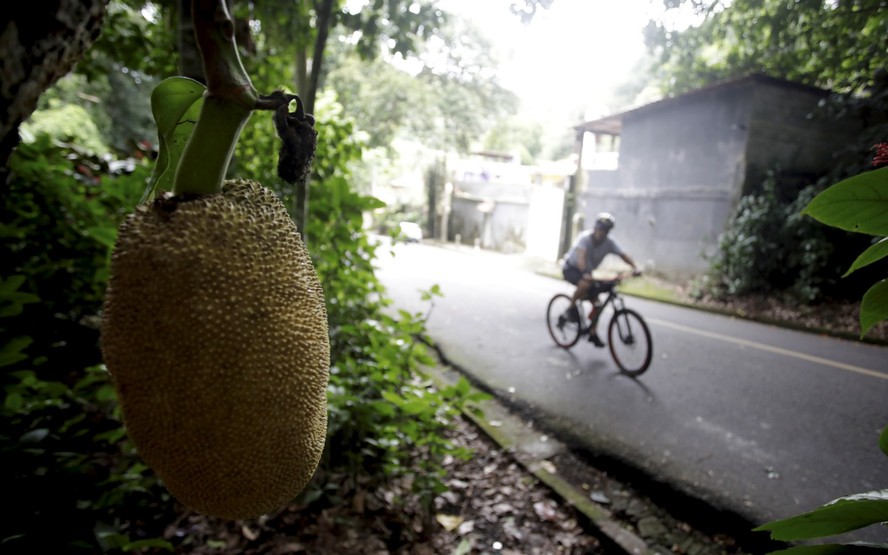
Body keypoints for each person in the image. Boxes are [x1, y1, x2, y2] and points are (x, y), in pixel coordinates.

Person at [560, 212, 639, 347]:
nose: (602, 233)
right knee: (585, 284)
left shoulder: (609, 242)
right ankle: (571, 308)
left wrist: (634, 267)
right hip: (572, 268)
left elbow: (623, 254)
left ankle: (592, 332)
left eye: (605, 230)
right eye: (600, 229)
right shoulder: (584, 239)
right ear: (595, 227)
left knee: (597, 305)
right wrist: (585, 273)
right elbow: (581, 258)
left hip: (588, 272)